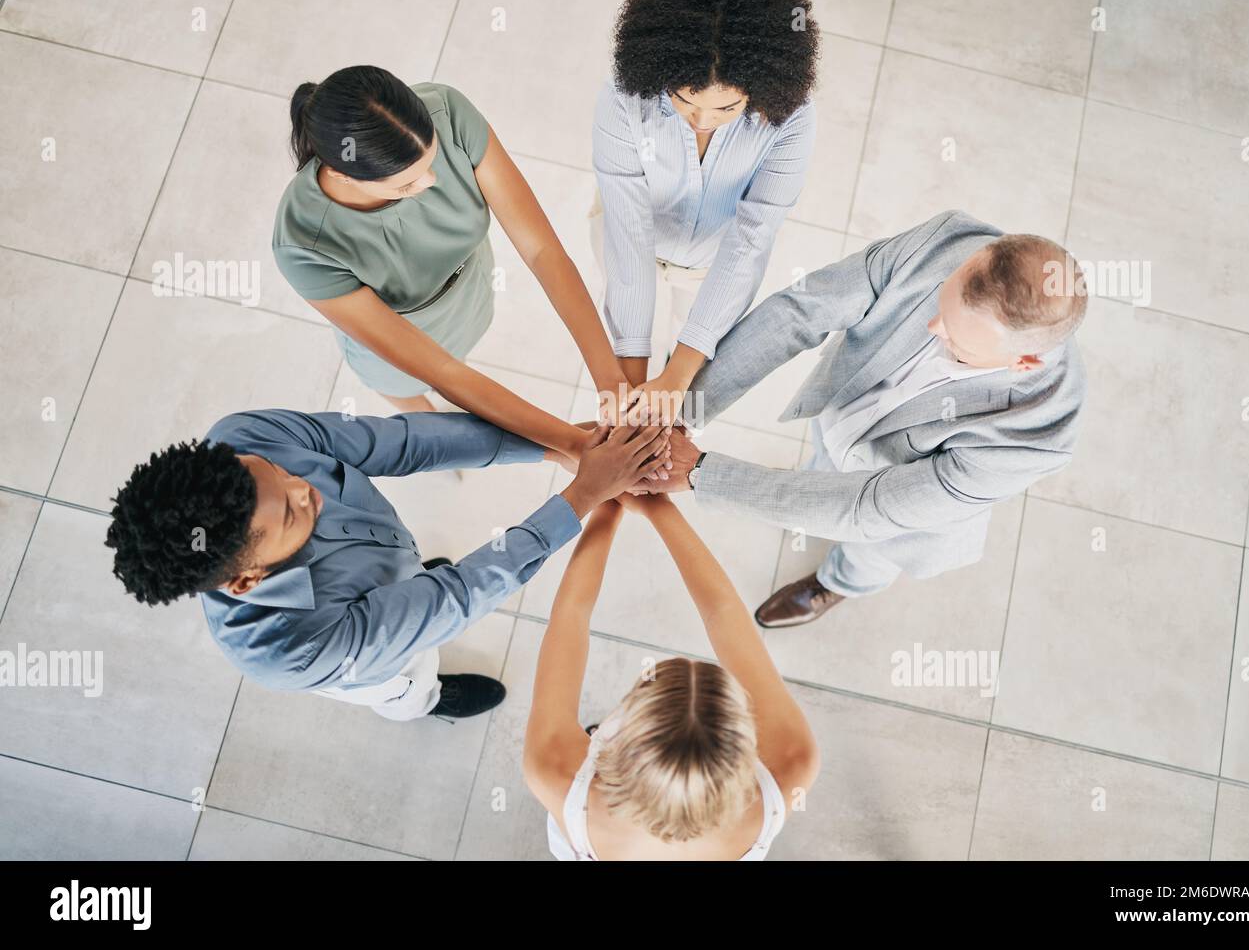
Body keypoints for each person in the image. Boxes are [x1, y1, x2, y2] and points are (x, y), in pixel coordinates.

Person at [633, 209, 1089, 629]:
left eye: (956, 338)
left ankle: (835, 586)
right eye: (942, 305)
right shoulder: (946, 243)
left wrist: (700, 474)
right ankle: (806, 498)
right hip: (839, 422)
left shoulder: (1033, 440)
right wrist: (683, 412)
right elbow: (799, 312)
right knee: (821, 471)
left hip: (896, 513)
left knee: (868, 554)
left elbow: (868, 508)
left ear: (1023, 363)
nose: (933, 329)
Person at [104, 408, 668, 720]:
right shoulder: (291, 648)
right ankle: (430, 701)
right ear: (246, 577)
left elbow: (400, 442)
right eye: (293, 512)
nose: (306, 489)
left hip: (396, 564)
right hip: (382, 667)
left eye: (280, 473)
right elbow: (456, 597)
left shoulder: (241, 436)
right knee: (409, 681)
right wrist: (583, 495)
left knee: (419, 590)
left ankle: (407, 584)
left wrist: (561, 447)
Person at [274, 64, 647, 464]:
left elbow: (543, 252)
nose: (430, 183)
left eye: (432, 161)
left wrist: (610, 380)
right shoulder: (304, 245)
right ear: (342, 175)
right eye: (405, 185)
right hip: (402, 343)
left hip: (469, 299)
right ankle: (437, 432)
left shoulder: (448, 112)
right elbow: (442, 370)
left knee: (463, 362)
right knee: (419, 397)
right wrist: (570, 445)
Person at [523, 493, 819, 859]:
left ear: (624, 733)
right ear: (745, 732)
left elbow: (571, 616)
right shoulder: (792, 763)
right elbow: (722, 613)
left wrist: (609, 499)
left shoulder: (553, 769)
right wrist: (656, 505)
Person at [591, 0, 819, 427]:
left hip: (714, 268)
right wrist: (632, 378)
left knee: (690, 344)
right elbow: (627, 231)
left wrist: (674, 379)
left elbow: (751, 237)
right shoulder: (624, 94)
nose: (701, 121)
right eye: (683, 99)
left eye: (728, 107)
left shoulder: (791, 117)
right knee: (631, 323)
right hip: (629, 244)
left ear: (760, 87)